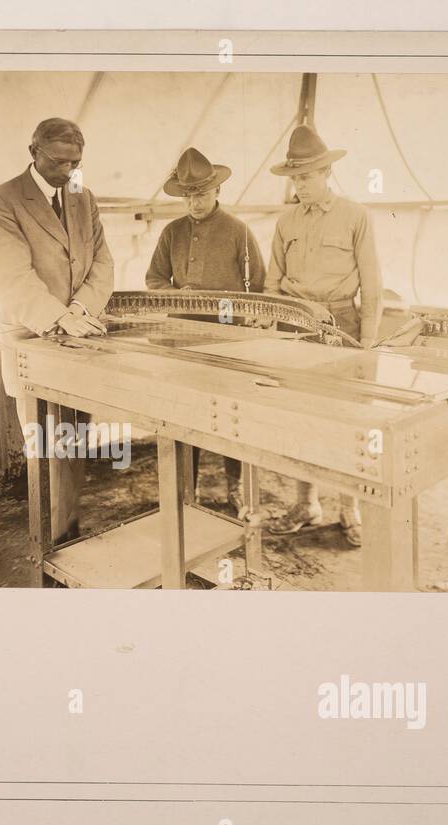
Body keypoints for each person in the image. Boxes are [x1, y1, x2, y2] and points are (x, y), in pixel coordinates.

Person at [0, 117, 114, 544]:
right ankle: (49, 540)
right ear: (33, 151)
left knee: (75, 441)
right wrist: (60, 318)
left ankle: (66, 531)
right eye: (59, 162)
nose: (68, 172)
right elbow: (12, 277)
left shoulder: (82, 196)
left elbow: (103, 264)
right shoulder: (1, 200)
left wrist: (80, 308)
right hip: (32, 338)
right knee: (46, 442)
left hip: (78, 334)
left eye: (76, 163)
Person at [264, 124, 383, 546]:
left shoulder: (356, 216)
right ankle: (306, 502)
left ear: (327, 173)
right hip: (295, 329)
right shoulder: (286, 220)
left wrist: (367, 341)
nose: (301, 185)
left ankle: (348, 509)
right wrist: (275, 330)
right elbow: (272, 282)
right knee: (298, 419)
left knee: (346, 423)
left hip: (341, 329)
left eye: (308, 176)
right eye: (295, 178)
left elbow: (371, 283)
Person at [145, 147, 265, 515]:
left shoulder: (238, 231)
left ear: (217, 191)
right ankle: (185, 492)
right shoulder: (171, 232)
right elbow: (153, 279)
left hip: (230, 340)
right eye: (188, 195)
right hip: (181, 340)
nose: (195, 202)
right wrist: (177, 296)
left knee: (234, 416)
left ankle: (238, 489)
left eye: (201, 193)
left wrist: (236, 320)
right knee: (184, 413)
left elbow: (256, 288)